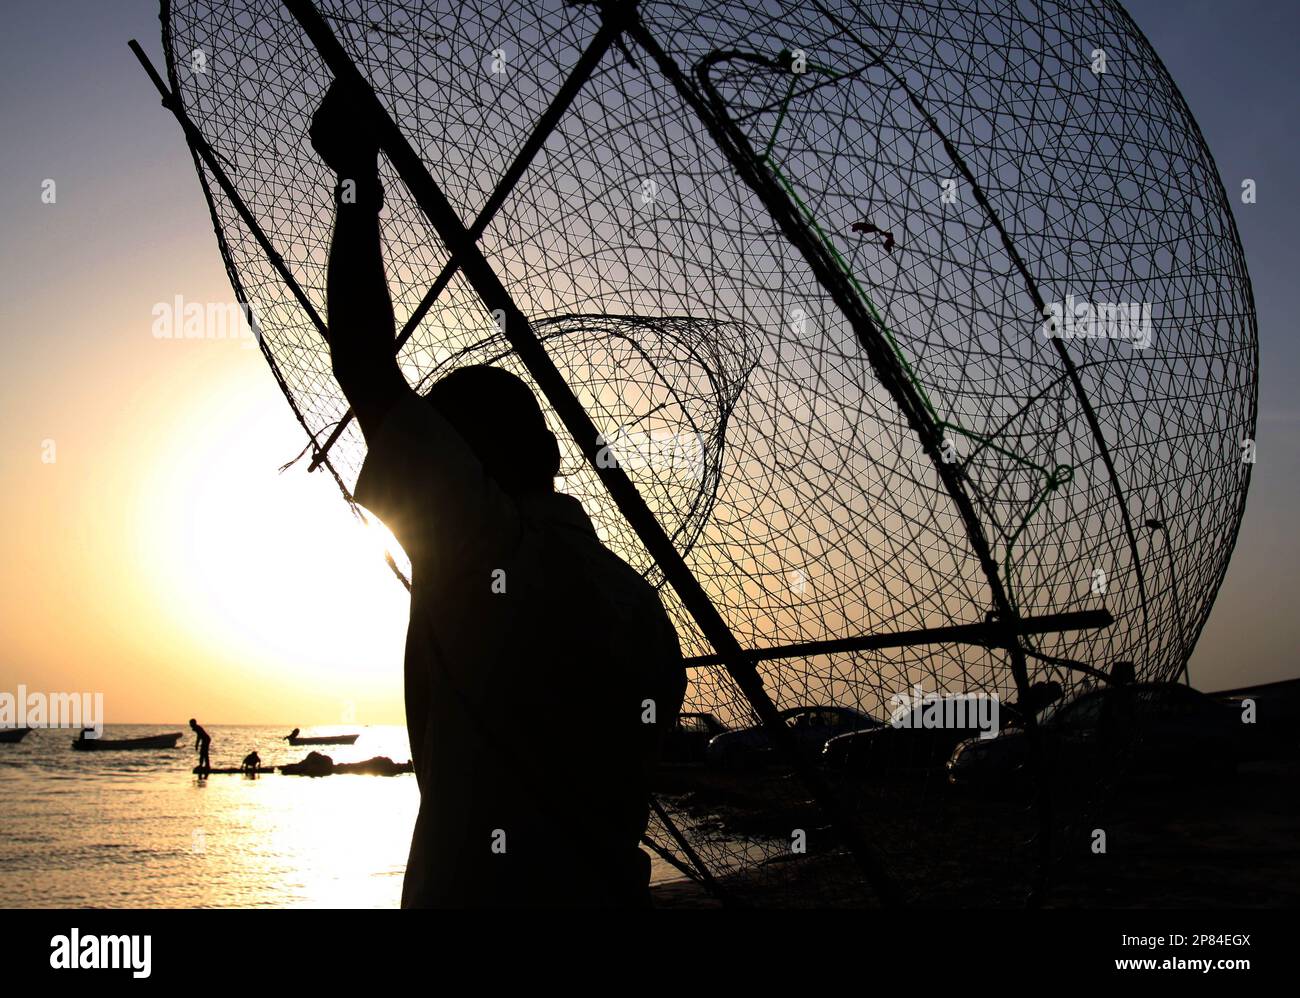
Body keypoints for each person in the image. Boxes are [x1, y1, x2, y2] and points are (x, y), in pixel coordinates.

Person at [309, 81, 687, 908]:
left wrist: (355, 183)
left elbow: (365, 367)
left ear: (461, 464)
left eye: (444, 442)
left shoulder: (480, 544)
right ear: (553, 455)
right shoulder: (640, 606)